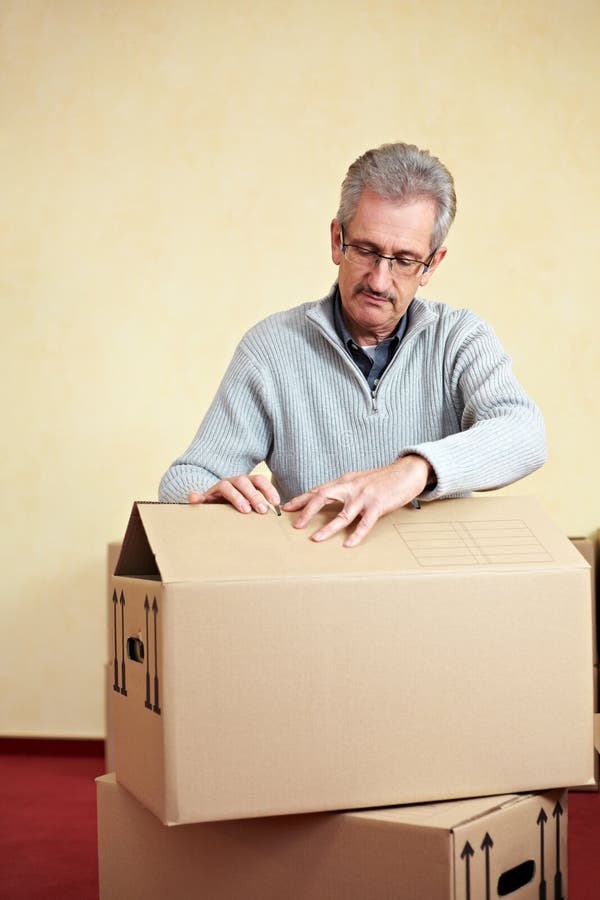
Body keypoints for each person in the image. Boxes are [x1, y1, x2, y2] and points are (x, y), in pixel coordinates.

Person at [159, 142, 546, 547]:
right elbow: (183, 480)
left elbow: (525, 433)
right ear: (336, 240)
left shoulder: (460, 339)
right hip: (315, 591)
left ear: (432, 264)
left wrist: (414, 470)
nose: (379, 280)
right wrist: (210, 496)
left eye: (404, 260)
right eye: (366, 251)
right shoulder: (271, 349)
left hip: (436, 590)